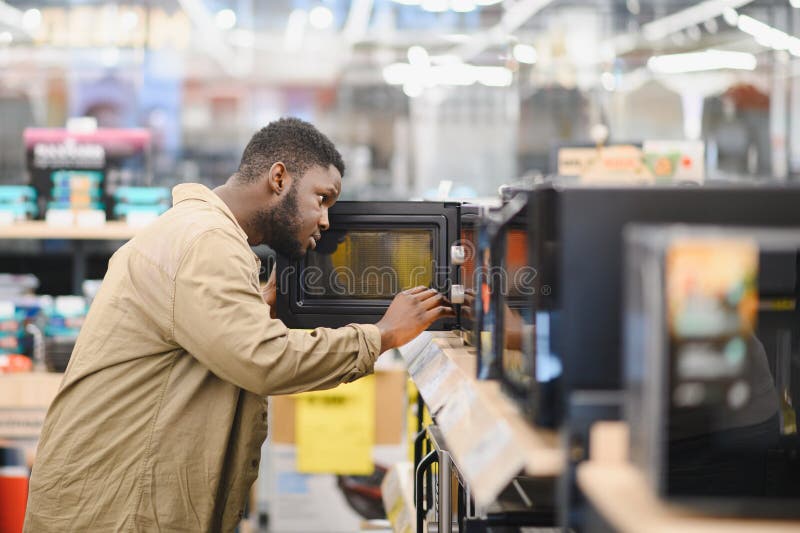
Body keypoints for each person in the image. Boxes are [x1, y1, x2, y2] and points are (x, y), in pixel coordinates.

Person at [24, 117, 453, 532]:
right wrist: (382, 335)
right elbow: (263, 359)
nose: (324, 220)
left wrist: (256, 308)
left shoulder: (202, 233)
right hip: (115, 514)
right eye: (321, 198)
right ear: (279, 178)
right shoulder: (206, 241)